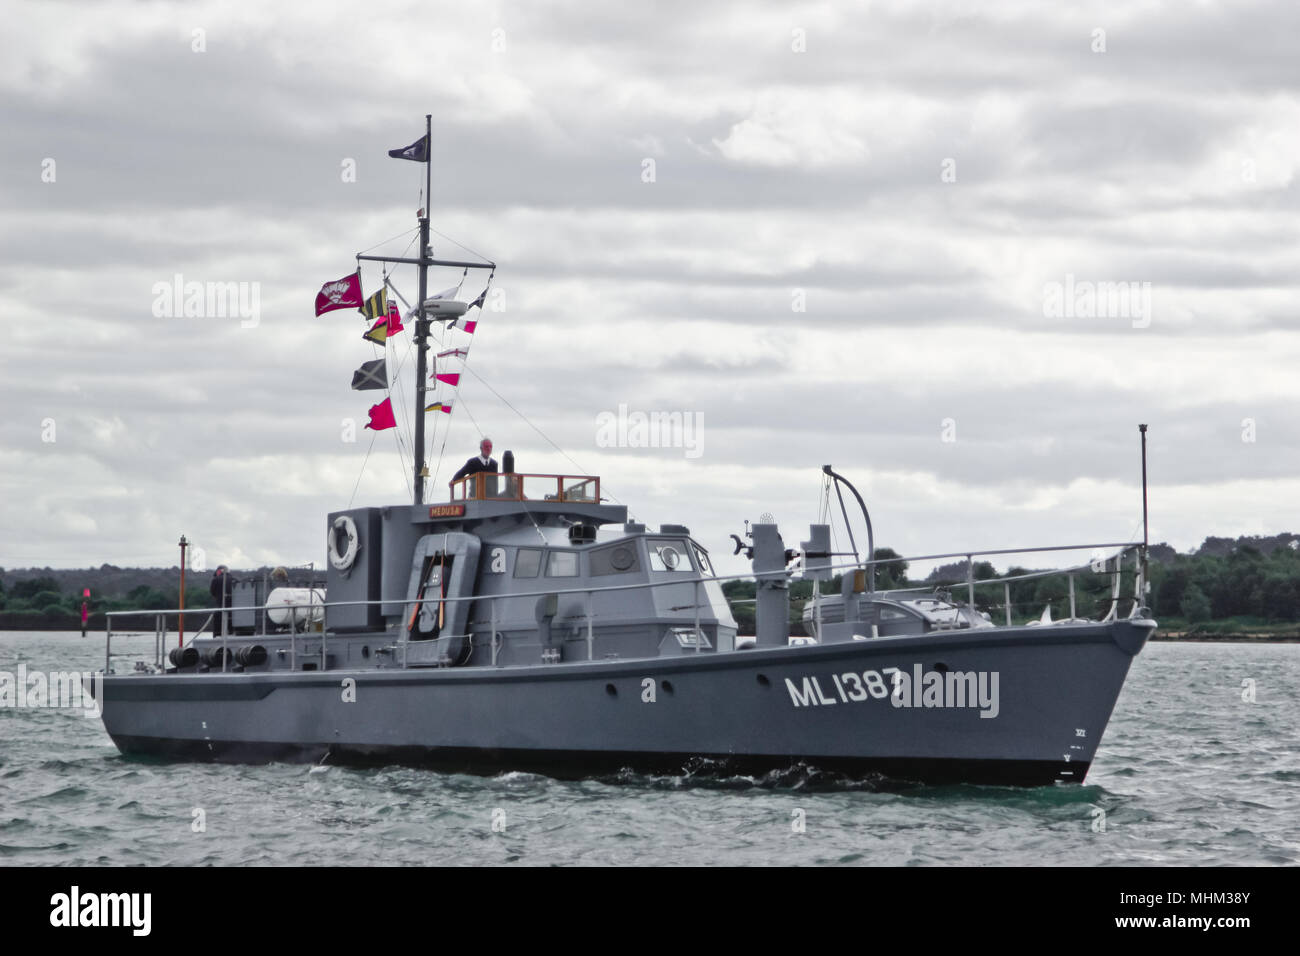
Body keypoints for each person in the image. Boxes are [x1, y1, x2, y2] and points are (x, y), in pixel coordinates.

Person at [210, 565, 234, 636]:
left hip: (220, 607)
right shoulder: (234, 579)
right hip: (233, 610)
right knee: (231, 629)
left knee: (218, 630)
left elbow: (212, 592)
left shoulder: (216, 579)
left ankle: (217, 639)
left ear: (219, 571)